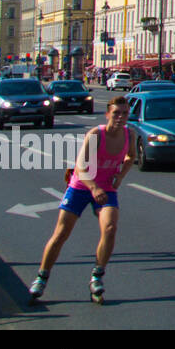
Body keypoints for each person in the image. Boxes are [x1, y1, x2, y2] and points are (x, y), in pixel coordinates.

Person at [29, 96, 139, 304]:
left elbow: (131, 156)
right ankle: (41, 277)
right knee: (61, 234)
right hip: (81, 186)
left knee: (110, 229)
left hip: (106, 189)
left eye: (125, 113)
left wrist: (120, 176)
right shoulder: (96, 134)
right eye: (116, 113)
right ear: (108, 114)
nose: (121, 117)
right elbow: (80, 167)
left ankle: (97, 276)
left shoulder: (129, 135)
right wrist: (94, 187)